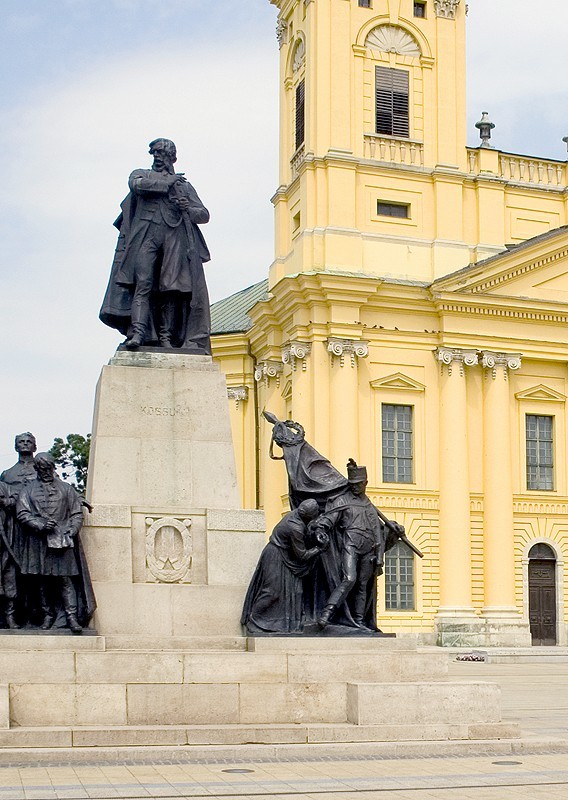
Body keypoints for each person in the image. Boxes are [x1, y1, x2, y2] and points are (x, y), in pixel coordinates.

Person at [99, 138, 212, 352]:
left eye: (164, 153)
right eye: (156, 153)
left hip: (175, 240)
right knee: (143, 284)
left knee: (171, 289)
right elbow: (138, 186)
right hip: (145, 238)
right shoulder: (142, 174)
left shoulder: (184, 186)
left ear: (173, 157)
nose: (159, 157)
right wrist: (168, 183)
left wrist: (187, 207)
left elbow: (203, 214)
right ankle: (138, 333)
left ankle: (166, 338)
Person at [317, 459, 402, 631]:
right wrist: (321, 528)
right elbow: (328, 519)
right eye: (352, 484)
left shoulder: (370, 506)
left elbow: (378, 532)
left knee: (363, 586)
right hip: (351, 546)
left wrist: (393, 530)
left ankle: (359, 622)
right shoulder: (342, 501)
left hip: (369, 550)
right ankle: (327, 613)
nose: (355, 487)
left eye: (358, 484)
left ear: (365, 483)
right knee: (349, 579)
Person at [16, 453, 95, 633]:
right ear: (36, 469)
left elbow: (76, 513)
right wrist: (39, 524)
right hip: (38, 542)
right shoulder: (27, 491)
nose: (45, 472)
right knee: (42, 581)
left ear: (53, 468)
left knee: (65, 581)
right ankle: (47, 614)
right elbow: (23, 513)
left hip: (62, 542)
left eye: (48, 468)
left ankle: (71, 617)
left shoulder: (66, 489)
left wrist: (72, 529)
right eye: (42, 469)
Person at [241, 499, 328, 634]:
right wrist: (320, 549)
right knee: (271, 591)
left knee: (296, 591)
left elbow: (309, 526)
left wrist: (316, 529)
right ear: (308, 515)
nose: (316, 516)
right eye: (315, 514)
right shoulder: (295, 527)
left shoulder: (296, 515)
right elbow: (303, 555)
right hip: (275, 556)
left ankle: (286, 624)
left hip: (285, 556)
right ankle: (254, 620)